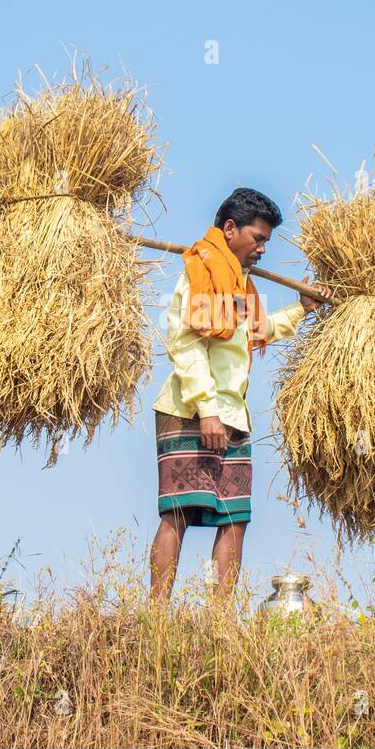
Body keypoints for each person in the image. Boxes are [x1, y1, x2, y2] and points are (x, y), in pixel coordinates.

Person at [149, 187, 330, 603]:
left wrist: (302, 309)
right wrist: (207, 411)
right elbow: (187, 344)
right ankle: (154, 618)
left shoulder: (240, 286)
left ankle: (220, 620)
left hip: (234, 414)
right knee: (179, 510)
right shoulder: (202, 272)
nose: (263, 249)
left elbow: (255, 333)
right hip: (189, 410)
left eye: (267, 241)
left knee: (235, 518)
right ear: (230, 229)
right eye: (259, 238)